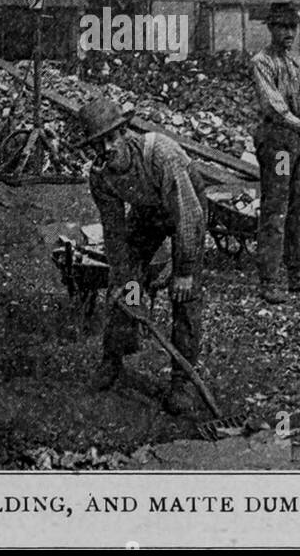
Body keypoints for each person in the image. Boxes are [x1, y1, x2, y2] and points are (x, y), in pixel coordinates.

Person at [78, 96, 209, 416]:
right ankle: (113, 359)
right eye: (98, 144)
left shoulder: (161, 154)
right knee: (123, 287)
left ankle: (182, 381)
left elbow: (188, 217)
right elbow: (114, 232)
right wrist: (122, 277)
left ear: (124, 132)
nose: (107, 148)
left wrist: (184, 271)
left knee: (186, 294)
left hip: (185, 206)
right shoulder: (100, 176)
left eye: (111, 138)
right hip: (148, 212)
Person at [250, 1, 300, 304]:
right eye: (282, 27)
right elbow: (274, 107)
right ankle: (270, 278)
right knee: (277, 207)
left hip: (298, 142)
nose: (288, 32)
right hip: (278, 144)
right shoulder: (262, 61)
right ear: (271, 28)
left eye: (292, 27)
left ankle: (298, 271)